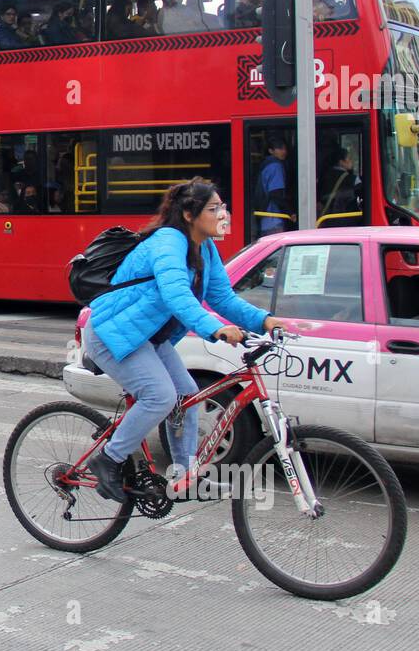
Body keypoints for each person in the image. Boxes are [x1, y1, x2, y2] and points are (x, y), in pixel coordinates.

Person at [83, 179, 290, 500]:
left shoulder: (205, 248)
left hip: (149, 338)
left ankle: (183, 473)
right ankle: (108, 459)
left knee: (187, 394)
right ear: (190, 215)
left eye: (222, 206)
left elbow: (222, 297)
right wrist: (214, 329)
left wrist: (263, 320)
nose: (222, 213)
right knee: (160, 396)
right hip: (113, 334)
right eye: (213, 208)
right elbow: (176, 293)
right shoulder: (168, 242)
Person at [317, 145, 362, 227]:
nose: (351, 161)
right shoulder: (352, 179)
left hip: (325, 219)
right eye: (349, 158)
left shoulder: (324, 176)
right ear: (341, 162)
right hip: (346, 218)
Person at [255, 135, 291, 236]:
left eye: (284, 148)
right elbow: (276, 194)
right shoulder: (275, 166)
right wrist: (290, 213)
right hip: (274, 219)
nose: (284, 151)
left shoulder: (265, 165)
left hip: (265, 220)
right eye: (279, 148)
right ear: (271, 151)